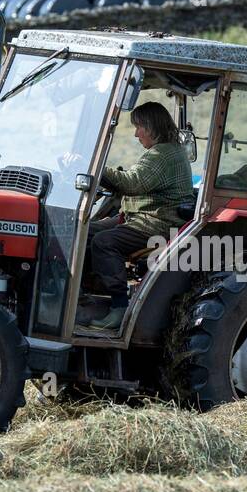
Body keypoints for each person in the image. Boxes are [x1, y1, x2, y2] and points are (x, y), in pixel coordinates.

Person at [81, 101, 194, 331]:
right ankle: (80, 295)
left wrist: (96, 168)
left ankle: (119, 308)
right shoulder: (165, 152)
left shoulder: (163, 154)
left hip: (158, 222)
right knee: (82, 230)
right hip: (142, 217)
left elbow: (134, 183)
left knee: (103, 242)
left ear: (152, 126)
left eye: (139, 127)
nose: (135, 134)